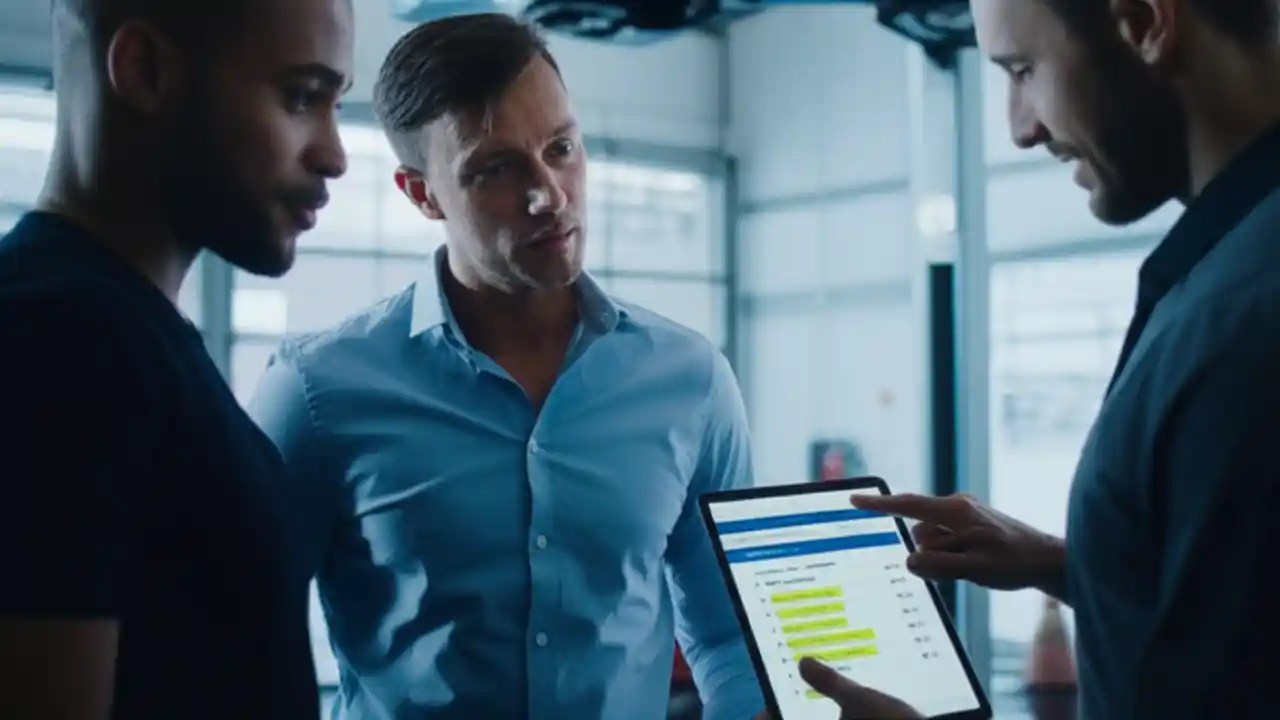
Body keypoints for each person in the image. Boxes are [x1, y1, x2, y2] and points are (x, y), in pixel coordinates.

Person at [246, 13, 764, 720]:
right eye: (495, 169)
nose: (547, 194)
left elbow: (730, 637)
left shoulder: (692, 382)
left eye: (561, 148)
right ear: (421, 193)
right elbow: (237, 642)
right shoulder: (314, 394)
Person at [781, 0, 1280, 717]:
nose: (1020, 128)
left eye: (1022, 69)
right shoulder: (1234, 269)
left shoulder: (1238, 333)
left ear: (1144, 21)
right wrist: (1066, 562)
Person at [0, 0, 353, 717]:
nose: (335, 154)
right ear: (145, 70)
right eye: (300, 98)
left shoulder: (121, 332)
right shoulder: (66, 339)